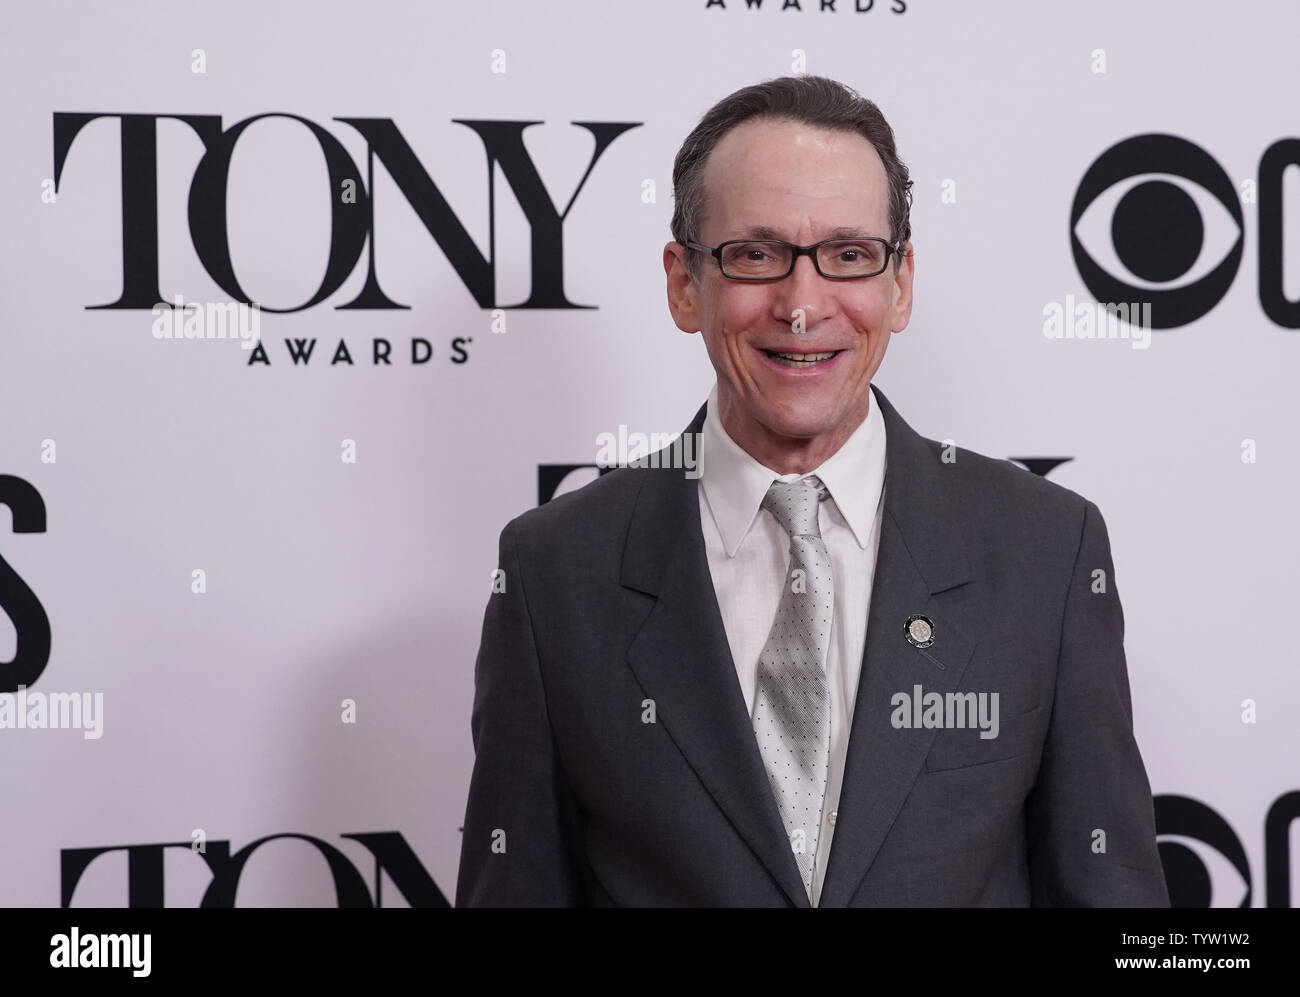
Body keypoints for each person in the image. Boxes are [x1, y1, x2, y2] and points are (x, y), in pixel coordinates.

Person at [455, 75, 1170, 907]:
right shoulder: (552, 573)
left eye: (849, 255)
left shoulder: (1046, 550)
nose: (802, 305)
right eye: (755, 255)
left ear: (899, 283)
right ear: (685, 283)